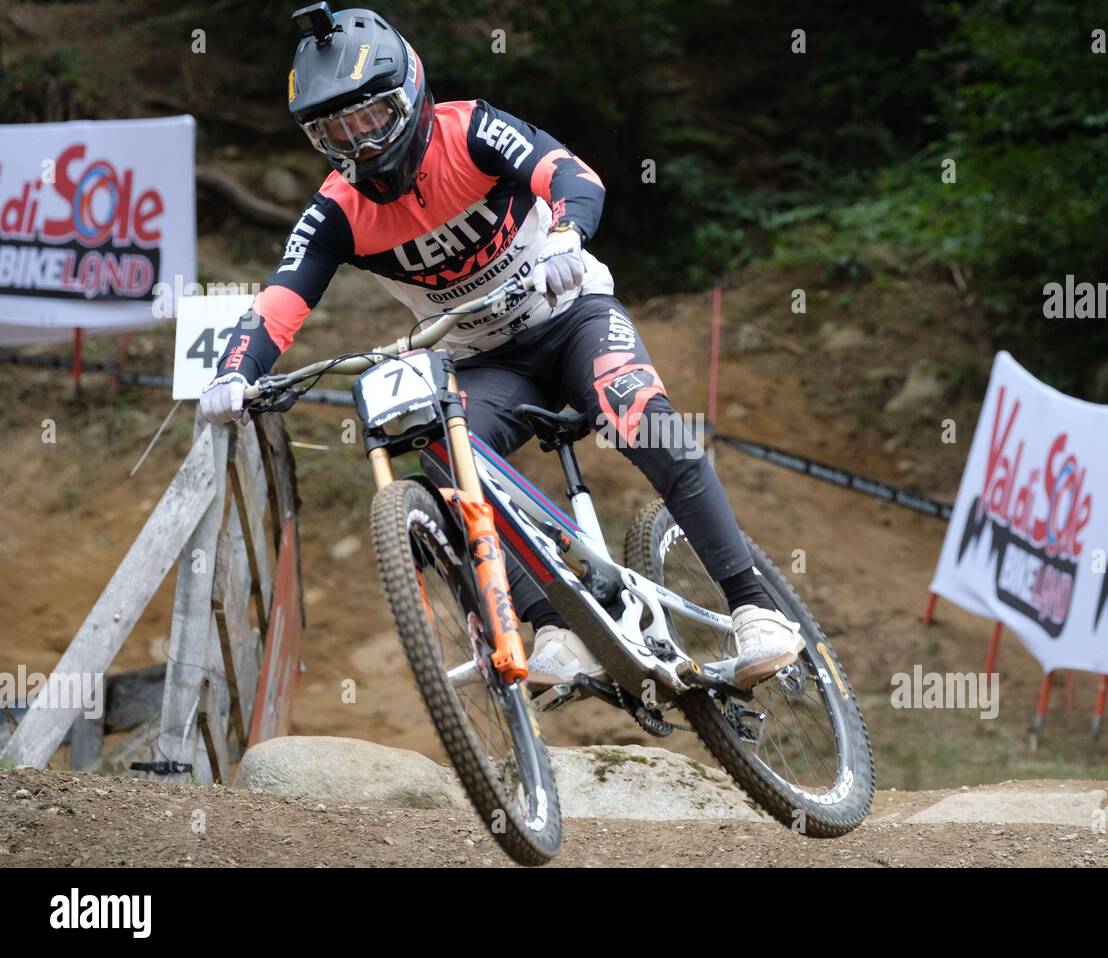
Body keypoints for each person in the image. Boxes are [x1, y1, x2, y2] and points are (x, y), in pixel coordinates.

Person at [199, 5, 803, 689]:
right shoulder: (337, 209)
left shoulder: (472, 130)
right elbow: (282, 297)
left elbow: (568, 173)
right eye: (335, 130)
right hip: (487, 365)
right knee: (446, 460)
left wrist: (568, 236)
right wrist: (233, 371)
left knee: (644, 415)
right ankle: (554, 626)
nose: (360, 143)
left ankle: (756, 608)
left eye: (370, 118)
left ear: (412, 94)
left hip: (571, 316)